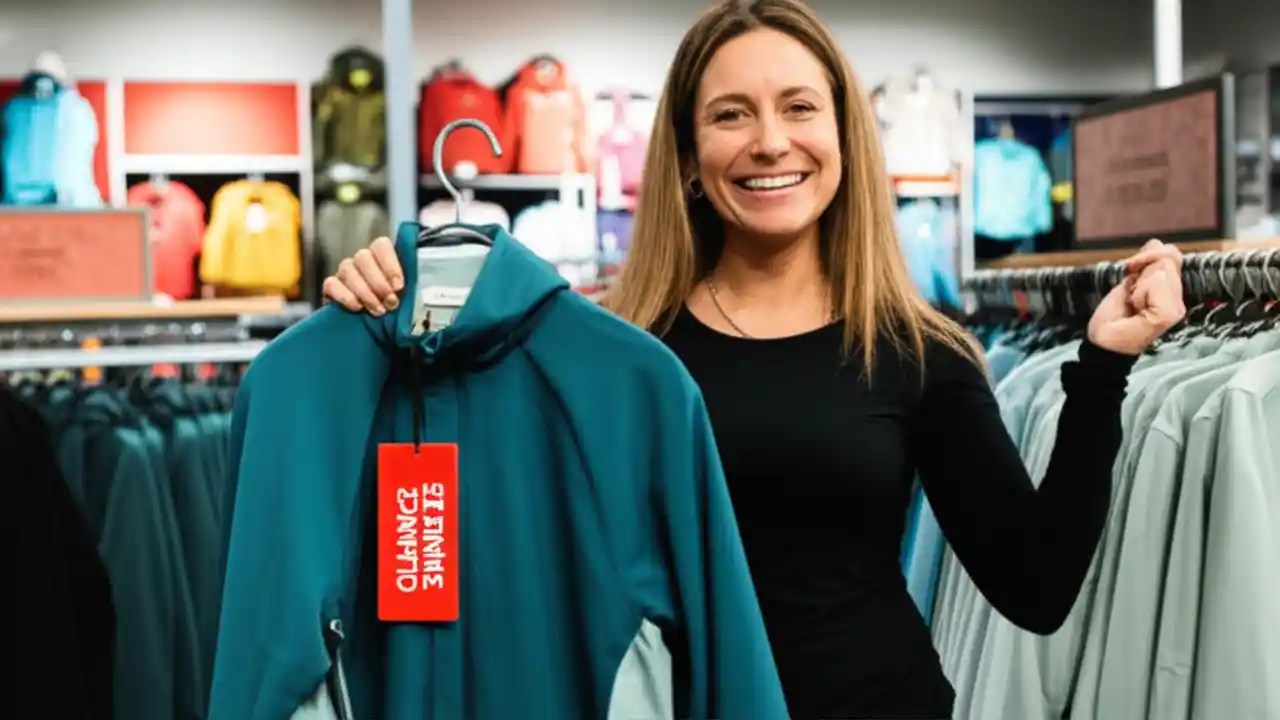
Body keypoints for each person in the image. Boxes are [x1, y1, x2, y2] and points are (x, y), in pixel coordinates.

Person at [321, 1, 1187, 717]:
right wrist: (392, 305)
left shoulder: (915, 349)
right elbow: (472, 527)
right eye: (731, 114)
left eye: (800, 107)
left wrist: (1101, 368)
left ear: (843, 138)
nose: (771, 141)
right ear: (691, 160)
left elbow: (1036, 586)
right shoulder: (615, 352)